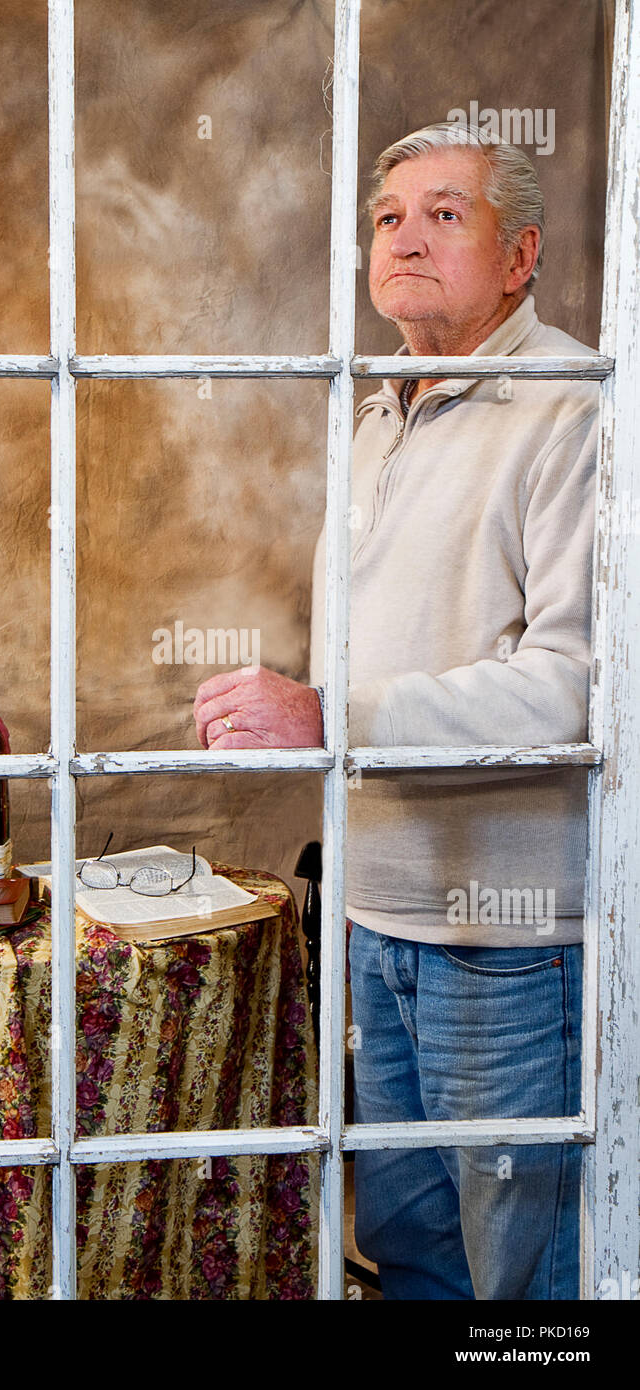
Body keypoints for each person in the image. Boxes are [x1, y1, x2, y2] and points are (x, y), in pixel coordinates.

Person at [192, 122, 597, 1300]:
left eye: (443, 213)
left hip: (507, 942)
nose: (403, 237)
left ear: (520, 255)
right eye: (386, 217)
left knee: (528, 1274)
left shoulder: (570, 406)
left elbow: (572, 685)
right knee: (411, 1252)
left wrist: (331, 716)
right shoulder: (371, 414)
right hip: (373, 921)